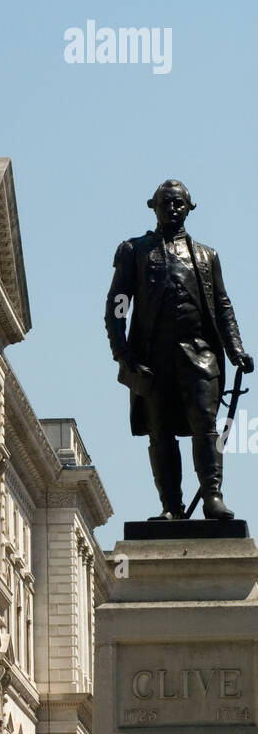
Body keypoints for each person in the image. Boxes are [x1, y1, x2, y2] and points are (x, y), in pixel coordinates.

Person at [104, 179, 254, 520]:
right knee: (160, 431)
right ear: (153, 206)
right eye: (166, 202)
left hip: (200, 354)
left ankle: (212, 497)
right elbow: (118, 303)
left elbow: (222, 305)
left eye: (179, 203)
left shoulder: (206, 255)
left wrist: (236, 350)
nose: (172, 208)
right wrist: (122, 351)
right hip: (152, 358)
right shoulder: (134, 250)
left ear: (189, 207)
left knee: (206, 424)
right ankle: (171, 506)